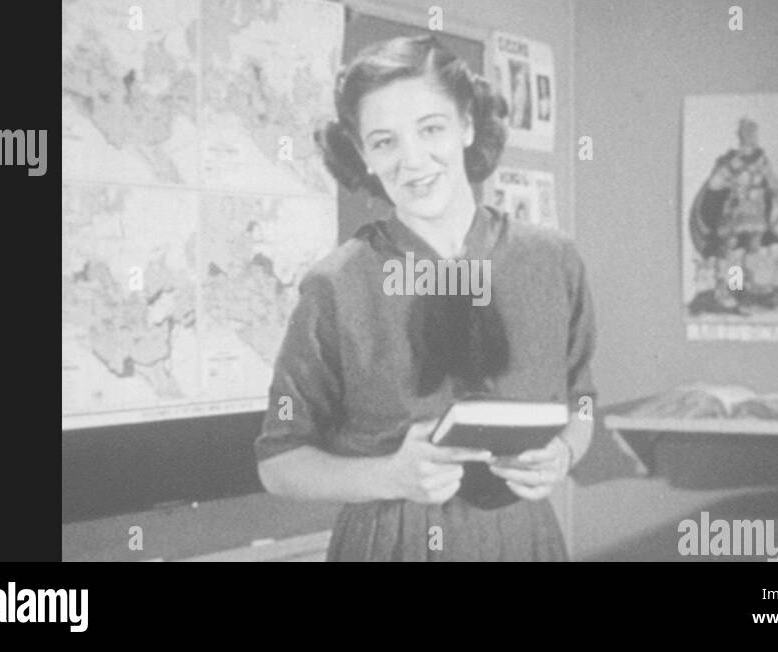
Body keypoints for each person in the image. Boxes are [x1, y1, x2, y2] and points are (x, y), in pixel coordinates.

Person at [254, 34, 597, 561]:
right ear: (362, 154)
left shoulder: (553, 260)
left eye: (430, 128)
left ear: (467, 126)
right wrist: (386, 475)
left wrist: (562, 453)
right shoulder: (337, 284)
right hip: (392, 543)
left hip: (525, 542)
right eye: (384, 141)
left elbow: (583, 404)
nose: (412, 161)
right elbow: (278, 462)